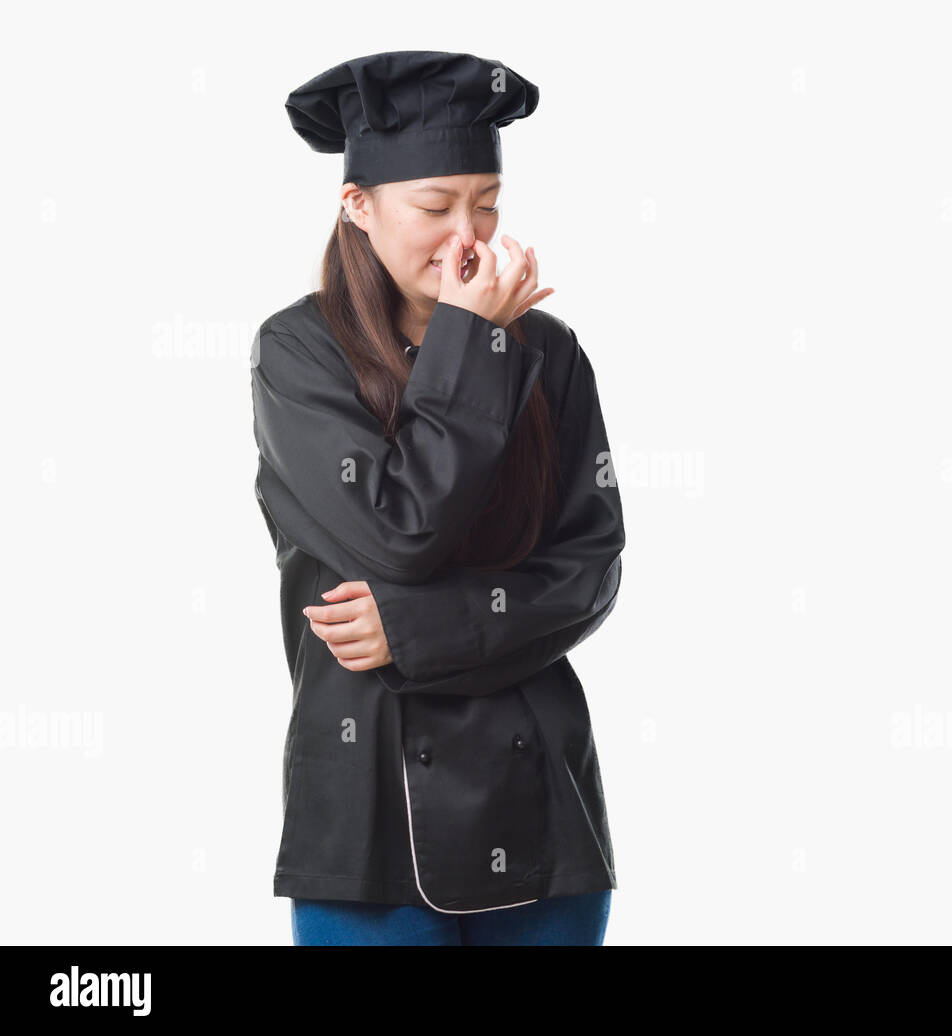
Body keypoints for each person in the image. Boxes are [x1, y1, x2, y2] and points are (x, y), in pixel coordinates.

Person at [250, 51, 625, 946]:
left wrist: (414, 630)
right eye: (434, 207)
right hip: (369, 816)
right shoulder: (297, 352)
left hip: (544, 812)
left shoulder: (553, 352)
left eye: (487, 203)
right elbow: (399, 535)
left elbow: (590, 570)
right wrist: (469, 337)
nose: (469, 236)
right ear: (358, 208)